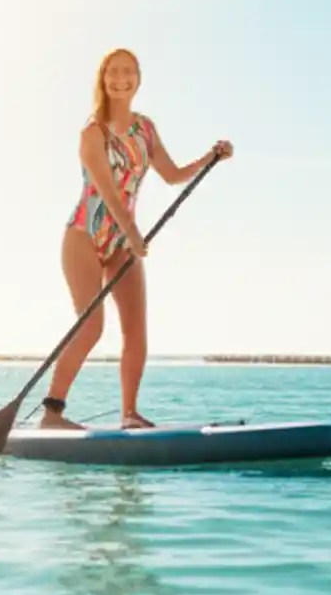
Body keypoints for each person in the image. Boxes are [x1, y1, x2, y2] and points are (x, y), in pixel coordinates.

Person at [40, 48, 234, 429]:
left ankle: (129, 415)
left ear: (138, 78)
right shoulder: (92, 131)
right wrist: (131, 230)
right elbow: (107, 189)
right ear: (103, 78)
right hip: (85, 233)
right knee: (91, 325)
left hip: (124, 239)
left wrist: (210, 159)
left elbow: (173, 174)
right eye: (113, 71)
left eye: (127, 71)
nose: (120, 78)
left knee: (136, 330)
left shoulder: (144, 129)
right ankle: (51, 413)